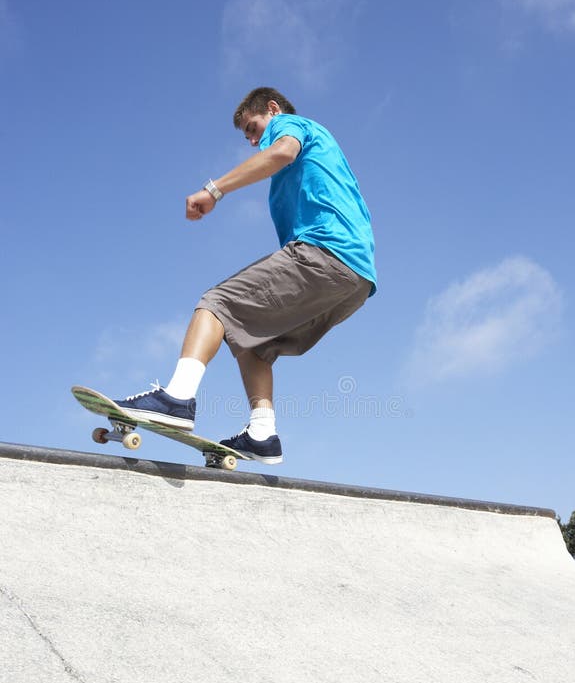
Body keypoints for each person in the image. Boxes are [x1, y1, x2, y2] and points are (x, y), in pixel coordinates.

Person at [113, 87, 377, 464]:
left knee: (217, 304)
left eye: (253, 129)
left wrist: (214, 190)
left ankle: (176, 398)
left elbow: (282, 151)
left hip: (325, 253)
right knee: (252, 343)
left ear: (272, 110)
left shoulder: (292, 125)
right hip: (354, 280)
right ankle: (262, 434)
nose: (253, 141)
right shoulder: (314, 155)